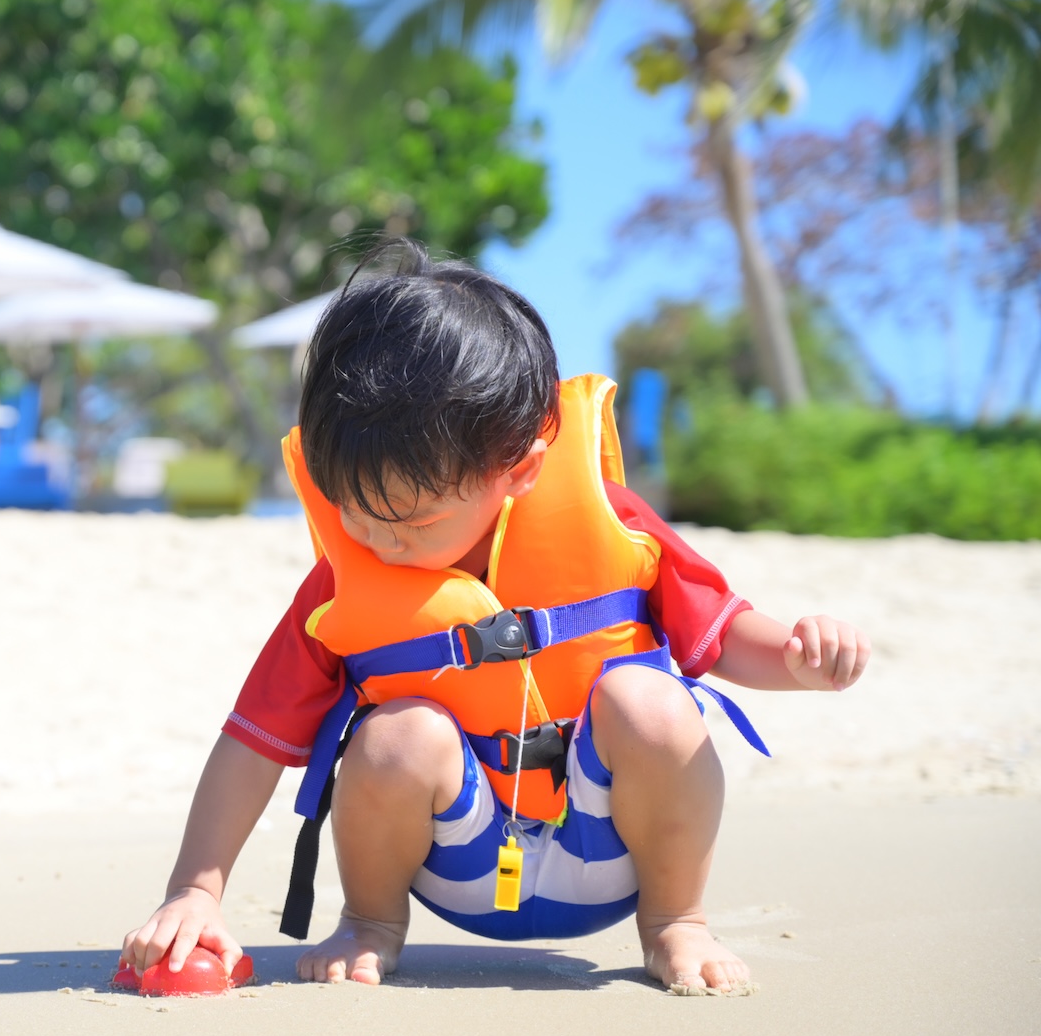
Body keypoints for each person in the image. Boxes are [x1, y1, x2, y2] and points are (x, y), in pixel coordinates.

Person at [121, 242, 870, 996]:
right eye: (356, 511)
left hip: (607, 842)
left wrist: (797, 659)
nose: (380, 539)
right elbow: (253, 738)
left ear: (521, 466)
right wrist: (196, 889)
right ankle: (370, 924)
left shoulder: (613, 523)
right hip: (455, 857)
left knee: (651, 700)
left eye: (413, 518)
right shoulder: (339, 588)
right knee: (397, 734)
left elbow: (720, 631)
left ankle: (677, 922)